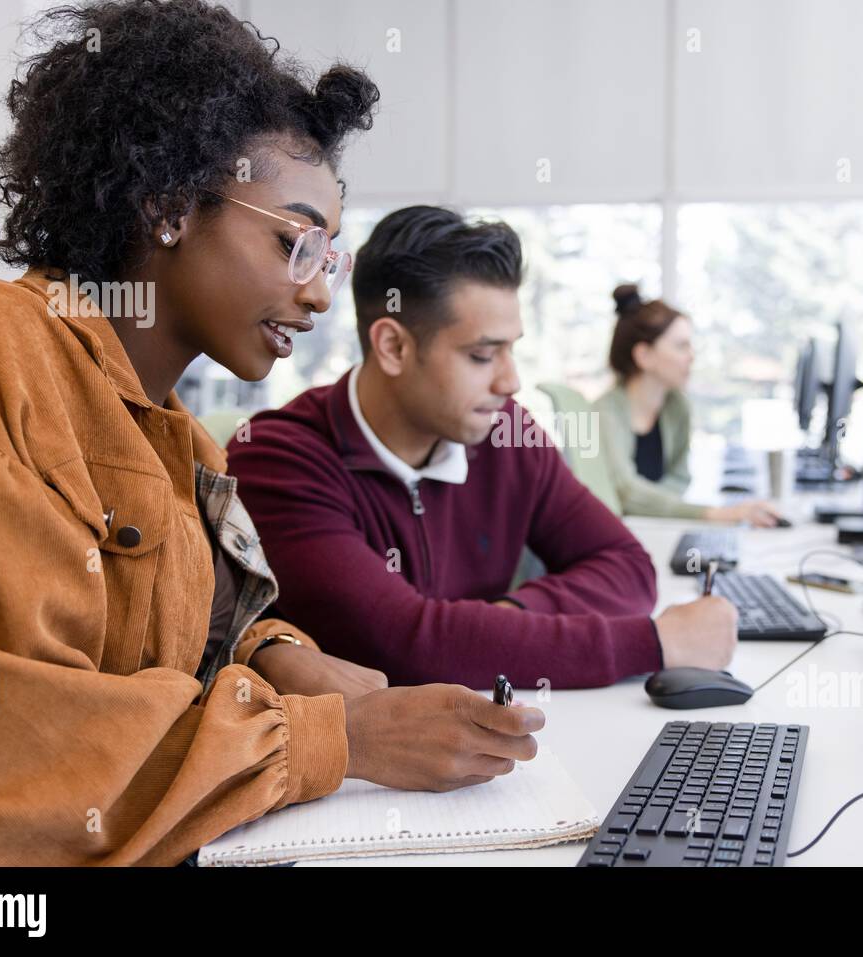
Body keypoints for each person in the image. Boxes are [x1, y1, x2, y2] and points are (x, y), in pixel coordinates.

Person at [0, 0, 541, 867]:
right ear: (167, 206)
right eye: (296, 242)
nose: (318, 293)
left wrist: (276, 654)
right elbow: (4, 750)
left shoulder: (184, 443)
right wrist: (337, 735)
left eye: (330, 258)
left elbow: (192, 636)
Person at [226, 206, 738, 689]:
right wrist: (655, 643)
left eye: (511, 349)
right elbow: (406, 645)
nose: (511, 382)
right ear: (394, 347)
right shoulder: (278, 460)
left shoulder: (504, 431)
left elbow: (626, 566)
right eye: (482, 355)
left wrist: (503, 624)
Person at [594, 284, 783, 526]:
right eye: (681, 346)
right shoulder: (604, 413)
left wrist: (660, 507)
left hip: (651, 526)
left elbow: (681, 477)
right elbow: (626, 491)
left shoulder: (676, 405)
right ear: (644, 356)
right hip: (621, 533)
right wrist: (714, 514)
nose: (691, 356)